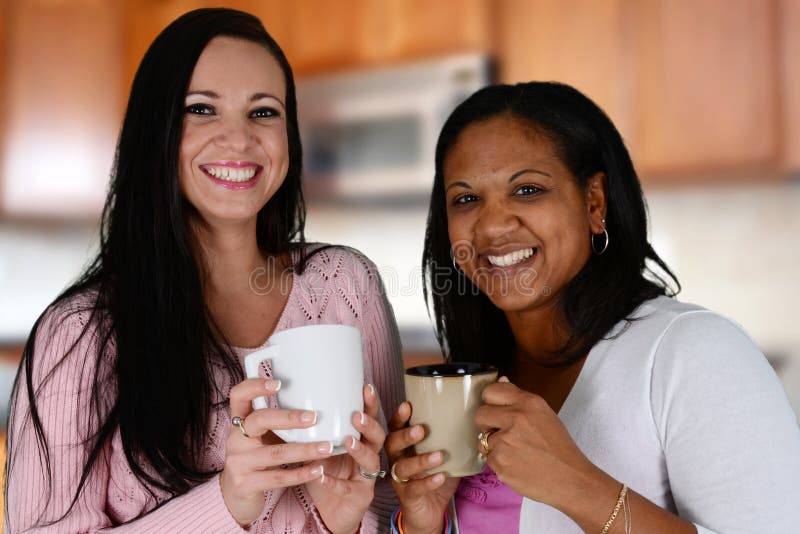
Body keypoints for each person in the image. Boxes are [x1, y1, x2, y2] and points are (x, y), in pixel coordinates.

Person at [4, 8, 404, 533]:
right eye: (201, 109)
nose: (238, 139)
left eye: (263, 112)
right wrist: (226, 504)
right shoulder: (80, 335)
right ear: (158, 133)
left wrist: (346, 521)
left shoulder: (347, 286)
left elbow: (398, 502)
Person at [385, 82, 800, 533]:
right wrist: (423, 525)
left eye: (527, 190)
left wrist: (575, 485)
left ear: (594, 202)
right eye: (466, 199)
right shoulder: (481, 379)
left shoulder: (696, 352)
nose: (493, 224)